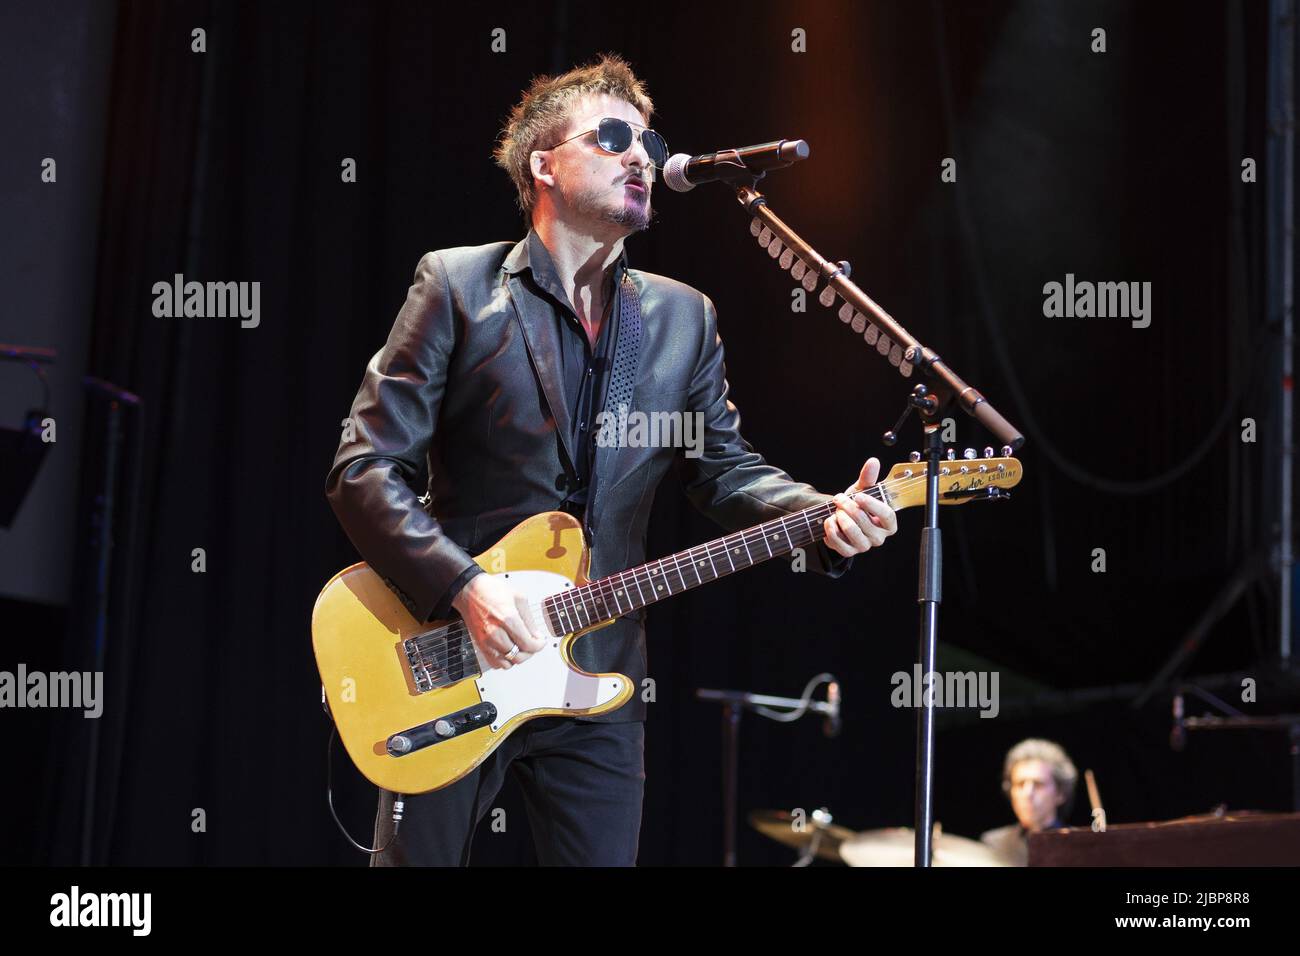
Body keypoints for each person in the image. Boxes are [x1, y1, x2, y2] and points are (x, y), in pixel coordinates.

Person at [325, 53, 898, 866]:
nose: (644, 158)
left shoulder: (680, 318)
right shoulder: (456, 287)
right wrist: (467, 587)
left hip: (599, 677)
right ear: (544, 165)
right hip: (453, 654)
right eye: (616, 136)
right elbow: (363, 469)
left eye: (650, 142)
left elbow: (725, 471)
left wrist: (821, 515)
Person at [980, 738, 1077, 866]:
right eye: (1020, 784)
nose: (1027, 793)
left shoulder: (1081, 844)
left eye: (1038, 784)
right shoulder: (993, 844)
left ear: (1060, 794)